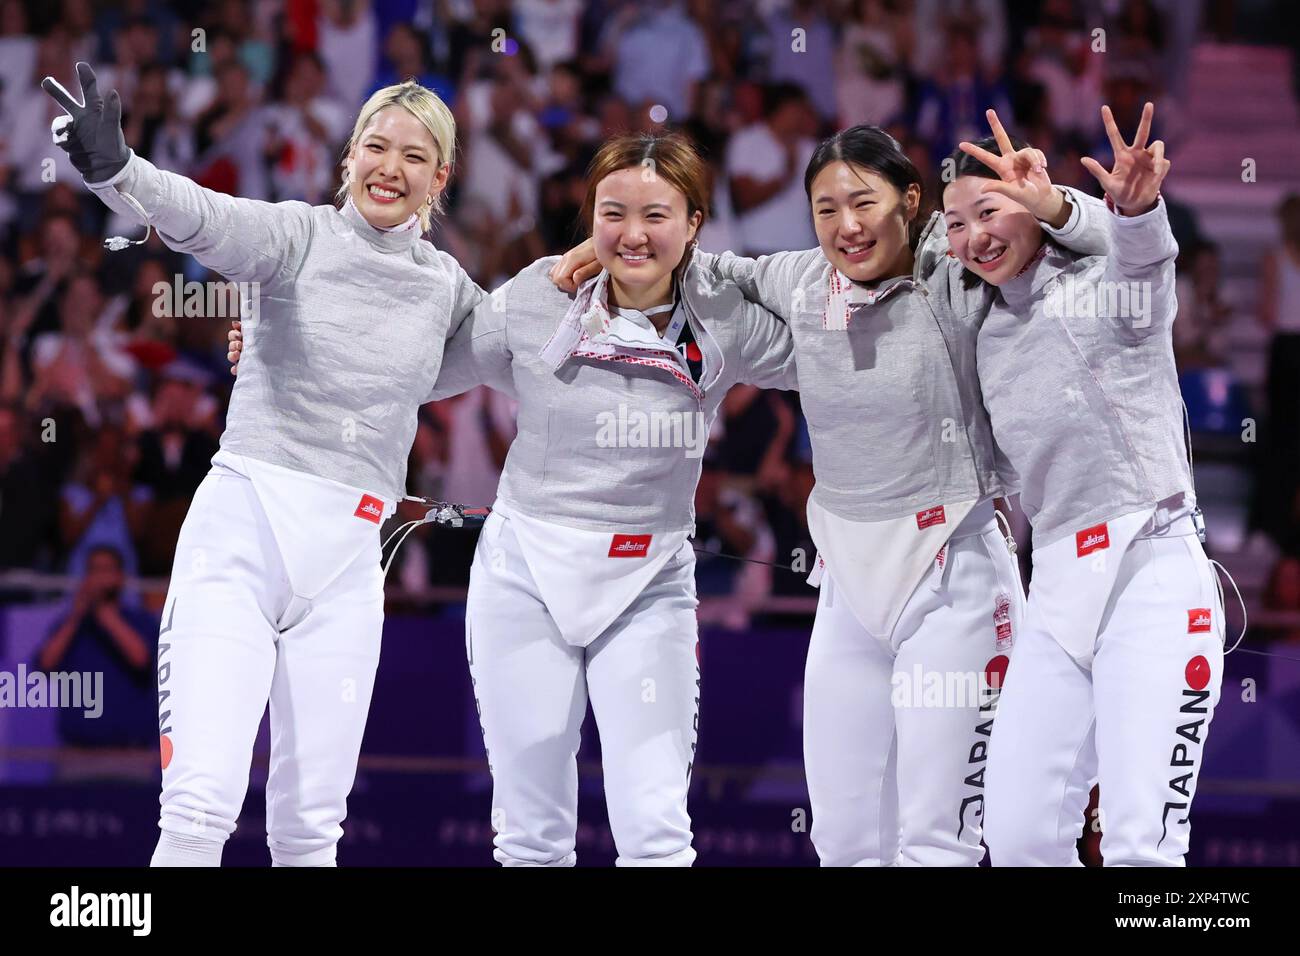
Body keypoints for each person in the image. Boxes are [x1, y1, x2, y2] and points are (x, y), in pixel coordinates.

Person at [552, 124, 1110, 866]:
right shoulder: (803, 280)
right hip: (847, 590)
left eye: (864, 203)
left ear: (912, 202)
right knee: (844, 843)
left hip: (956, 581)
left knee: (936, 843)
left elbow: (1104, 252)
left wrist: (1056, 204)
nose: (846, 227)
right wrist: (614, 247)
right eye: (825, 209)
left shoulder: (959, 268)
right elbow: (709, 269)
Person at [44, 62, 484, 867]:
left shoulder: (448, 290)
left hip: (350, 567)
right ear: (348, 157)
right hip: (241, 541)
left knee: (312, 832)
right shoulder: (295, 235)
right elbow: (203, 218)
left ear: (440, 177)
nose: (391, 167)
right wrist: (119, 169)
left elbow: (509, 353)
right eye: (376, 148)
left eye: (414, 157)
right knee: (199, 808)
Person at [942, 104, 1224, 865]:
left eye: (989, 210)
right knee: (1020, 836)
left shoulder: (1110, 283)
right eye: (955, 223)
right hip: (1059, 589)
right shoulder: (983, 330)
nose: (974, 237)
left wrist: (1126, 207)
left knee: (1140, 847)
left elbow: (1137, 255)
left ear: (1037, 207)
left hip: (1151, 570)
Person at [36, 544, 156, 747]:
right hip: (77, 752)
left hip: (132, 754)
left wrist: (102, 611)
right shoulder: (71, 624)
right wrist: (77, 616)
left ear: (120, 577)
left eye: (105, 570)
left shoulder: (141, 621)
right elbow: (46, 664)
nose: (98, 578)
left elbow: (141, 658)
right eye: (93, 570)